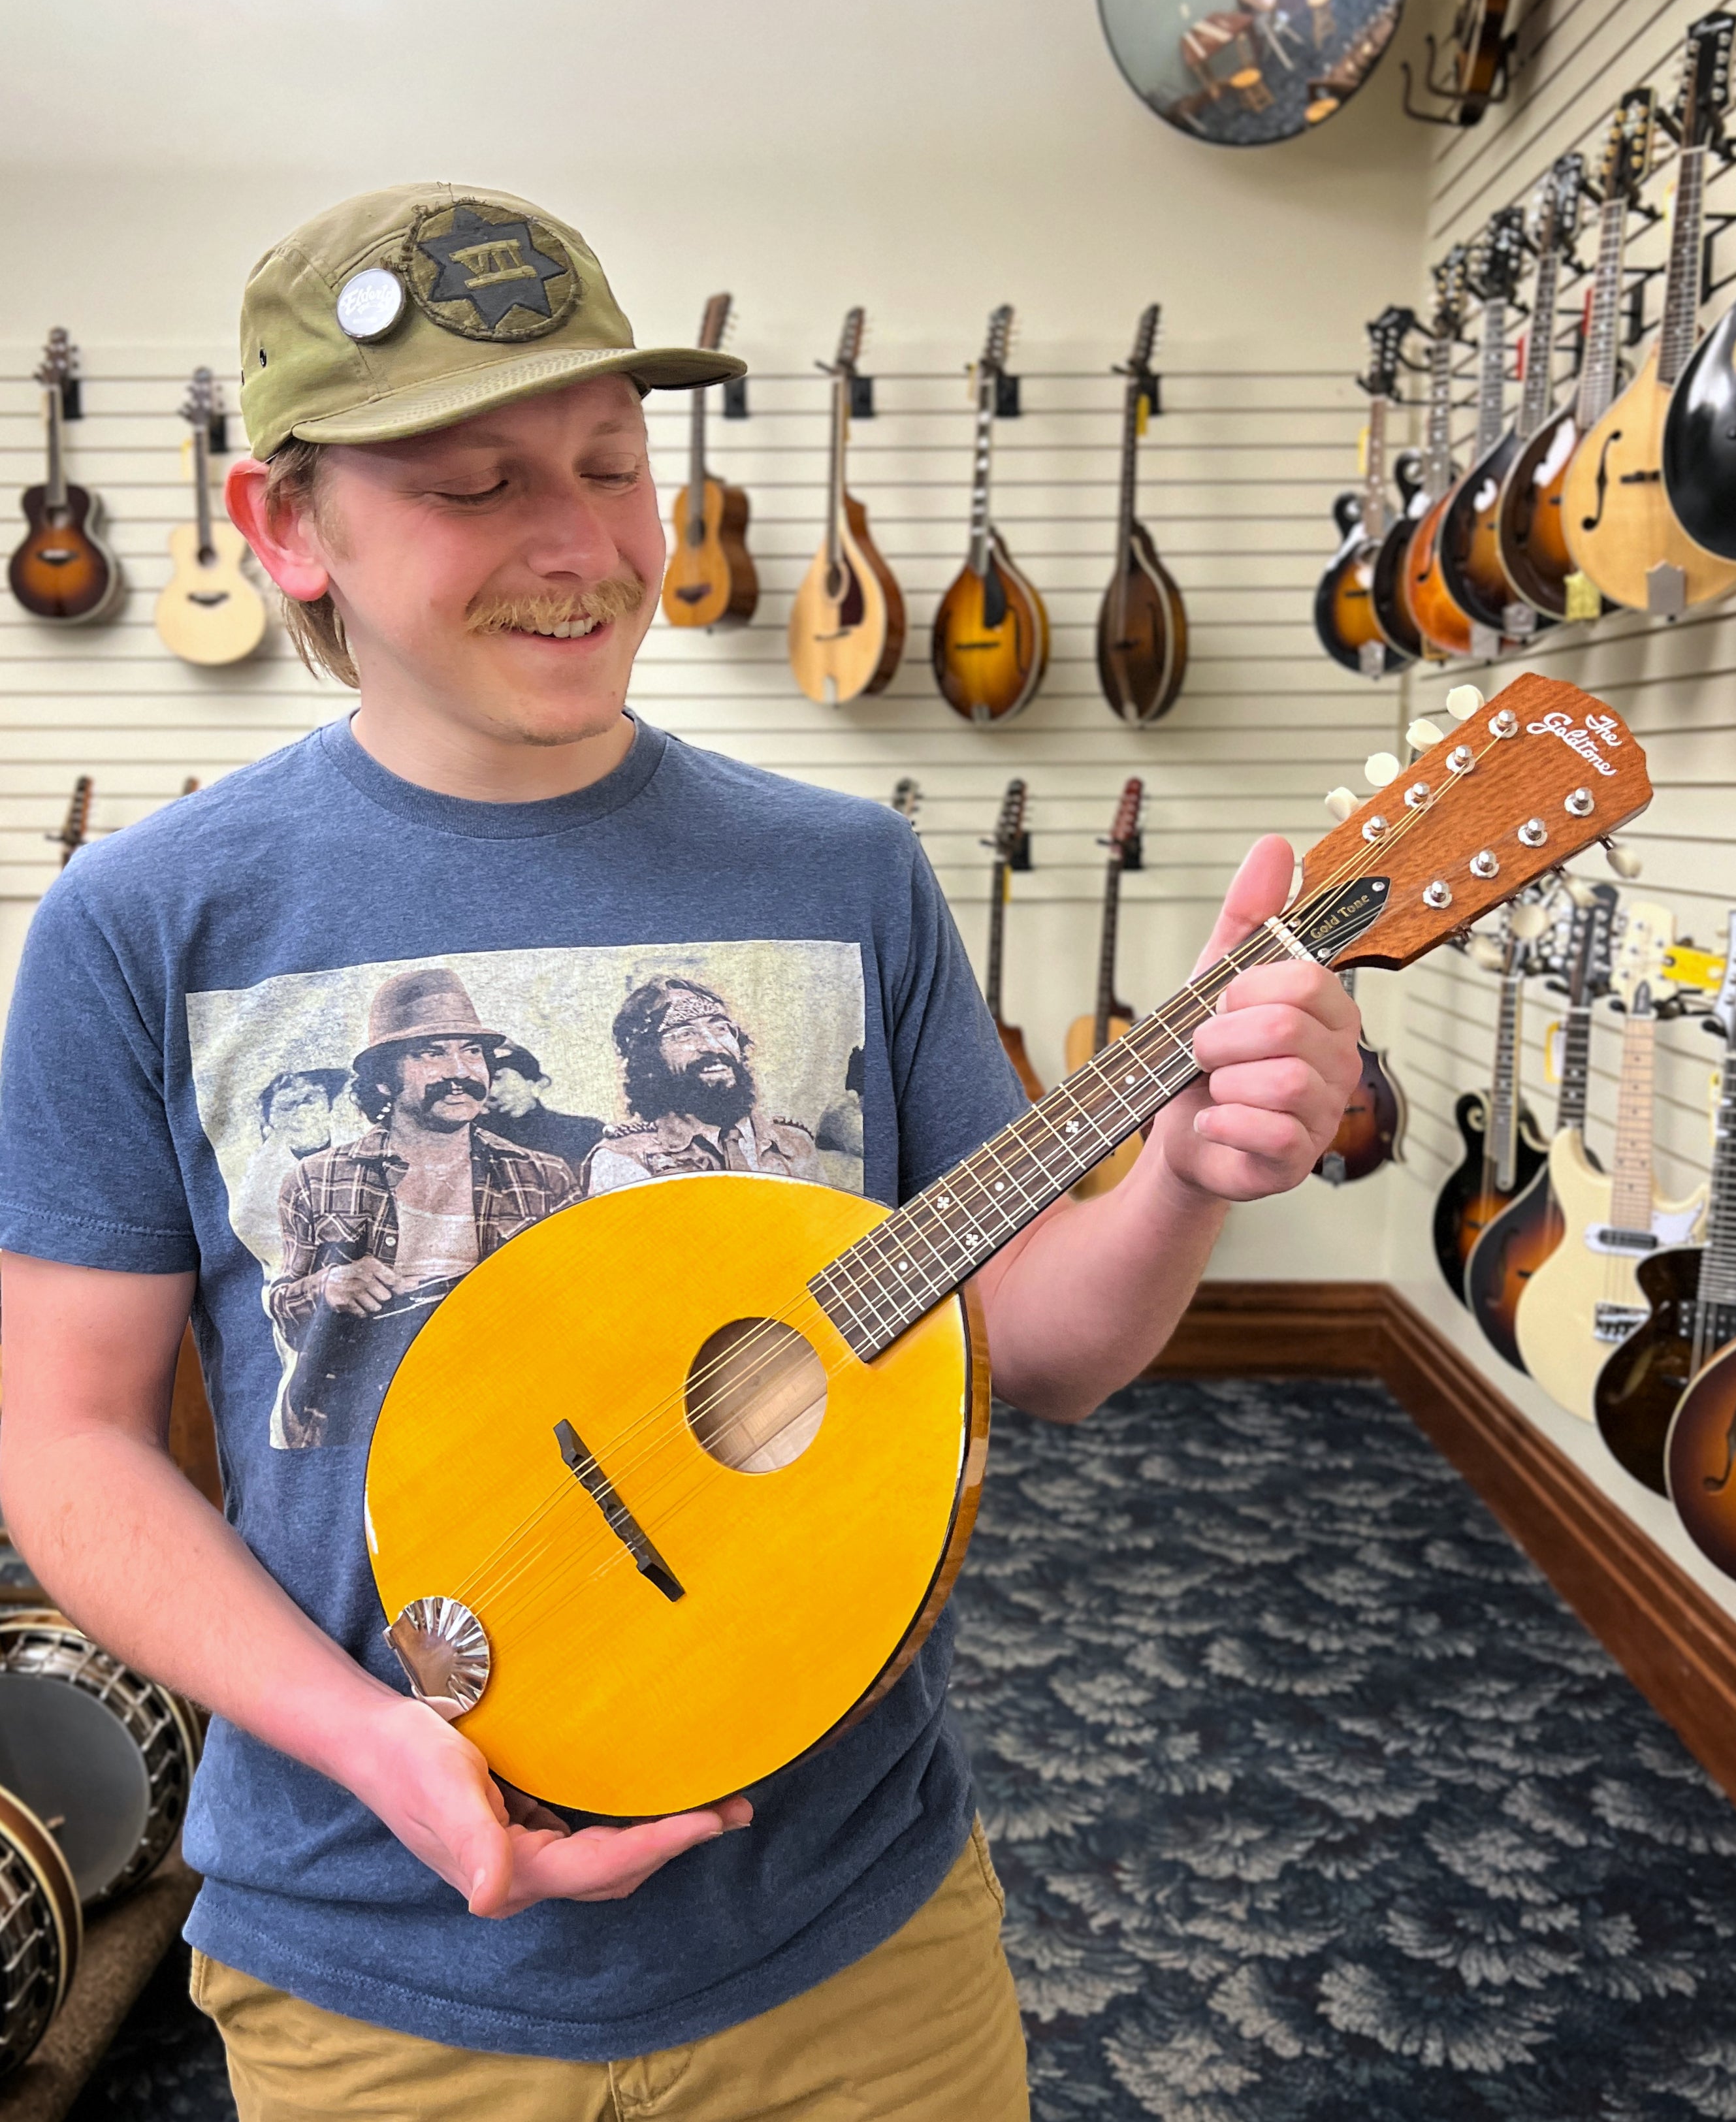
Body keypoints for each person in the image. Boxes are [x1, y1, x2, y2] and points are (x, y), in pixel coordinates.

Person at [0, 183, 1360, 2121]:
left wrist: (1184, 1174)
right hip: (377, 1954)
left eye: (612, 463)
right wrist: (371, 1746)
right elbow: (59, 1436)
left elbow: (1038, 1347)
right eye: (473, 486)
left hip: (848, 1931)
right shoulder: (150, 928)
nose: (577, 544)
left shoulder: (847, 877)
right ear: (282, 526)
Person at [267, 967, 573, 1448]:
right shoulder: (316, 1179)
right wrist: (326, 1286)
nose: (460, 1071)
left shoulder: (543, 1175)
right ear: (384, 1081)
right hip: (361, 1426)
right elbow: (283, 1310)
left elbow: (577, 1312)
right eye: (432, 1053)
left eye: (471, 1052)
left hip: (508, 1422)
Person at [583, 973, 822, 1193]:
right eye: (685, 1033)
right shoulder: (625, 1157)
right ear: (649, 1060)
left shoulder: (794, 1143)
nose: (714, 1046)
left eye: (721, 1029)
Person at [228, 1067, 352, 1270]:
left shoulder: (360, 1145)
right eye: (287, 1106)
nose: (302, 1113)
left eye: (309, 1100)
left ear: (328, 1102)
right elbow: (258, 1233)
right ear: (271, 1119)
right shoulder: (262, 1177)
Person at [485, 1038, 605, 1176]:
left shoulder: (585, 1132)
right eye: (484, 1082)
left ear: (536, 1084)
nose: (492, 1092)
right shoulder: (476, 1139)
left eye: (498, 1078)